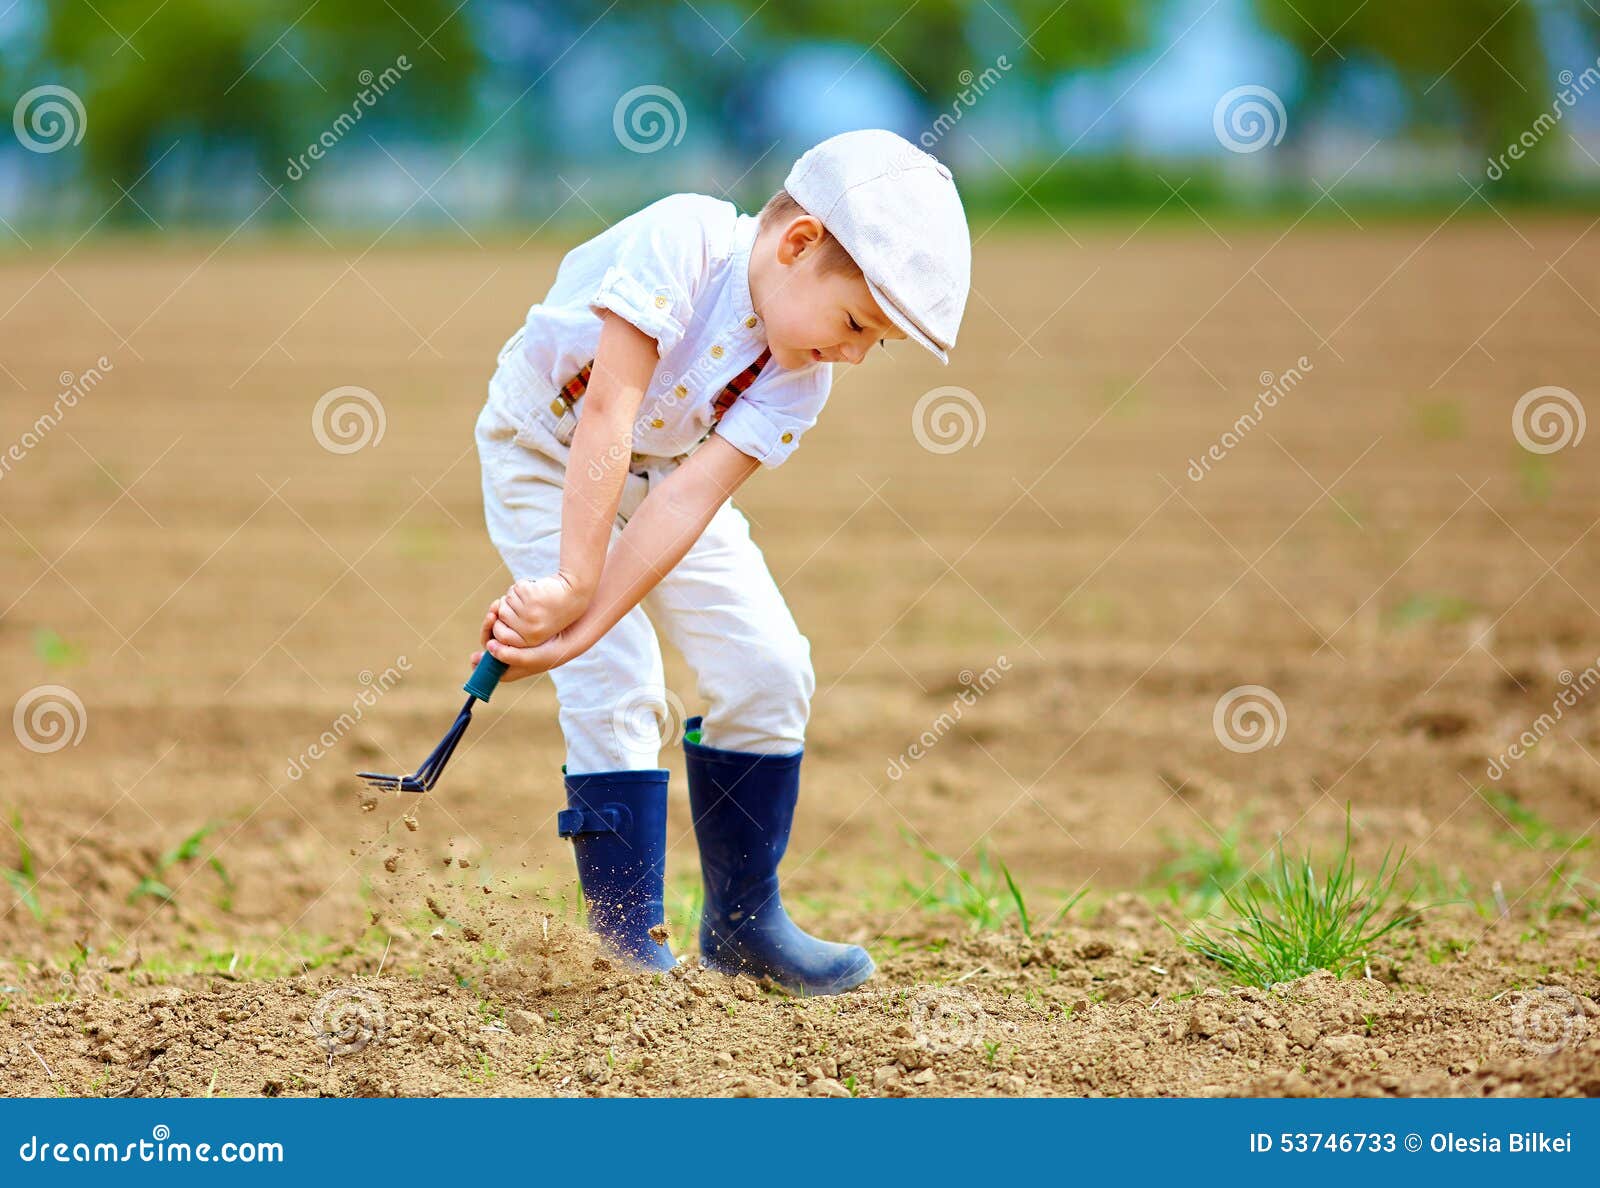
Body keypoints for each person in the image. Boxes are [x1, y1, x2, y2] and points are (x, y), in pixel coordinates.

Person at [469, 128, 971, 995]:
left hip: (660, 477)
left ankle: (745, 924)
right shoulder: (685, 240)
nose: (853, 354)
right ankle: (624, 946)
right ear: (799, 243)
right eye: (855, 322)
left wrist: (573, 624)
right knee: (617, 679)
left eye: (875, 343)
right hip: (548, 451)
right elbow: (608, 413)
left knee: (771, 668)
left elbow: (687, 498)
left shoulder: (797, 375)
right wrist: (573, 596)